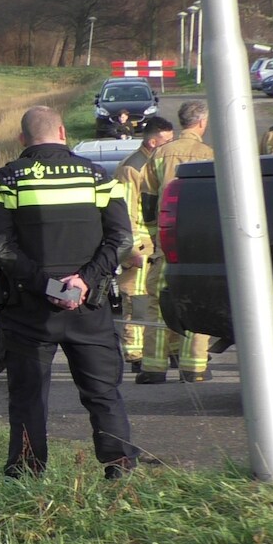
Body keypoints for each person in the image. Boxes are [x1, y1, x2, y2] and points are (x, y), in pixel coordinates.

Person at [0, 105, 139, 480]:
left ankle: (26, 474)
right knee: (102, 392)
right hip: (89, 306)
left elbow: (2, 249)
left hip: (29, 310)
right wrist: (84, 280)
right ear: (63, 132)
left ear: (22, 139)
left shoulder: (6, 181)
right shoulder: (98, 177)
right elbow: (121, 239)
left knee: (28, 396)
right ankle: (119, 468)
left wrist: (48, 286)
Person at [138, 100, 214, 384]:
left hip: (166, 241)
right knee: (197, 300)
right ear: (202, 122)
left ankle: (153, 368)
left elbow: (147, 201)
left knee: (158, 302)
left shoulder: (159, 155)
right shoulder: (210, 155)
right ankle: (194, 368)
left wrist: (153, 236)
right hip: (200, 241)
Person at [113, 116, 174, 375]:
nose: (171, 146)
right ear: (153, 142)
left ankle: (166, 350)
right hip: (141, 248)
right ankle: (136, 354)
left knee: (159, 301)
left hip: (157, 246)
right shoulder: (132, 168)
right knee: (137, 302)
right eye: (167, 141)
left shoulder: (156, 165)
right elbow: (126, 214)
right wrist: (133, 250)